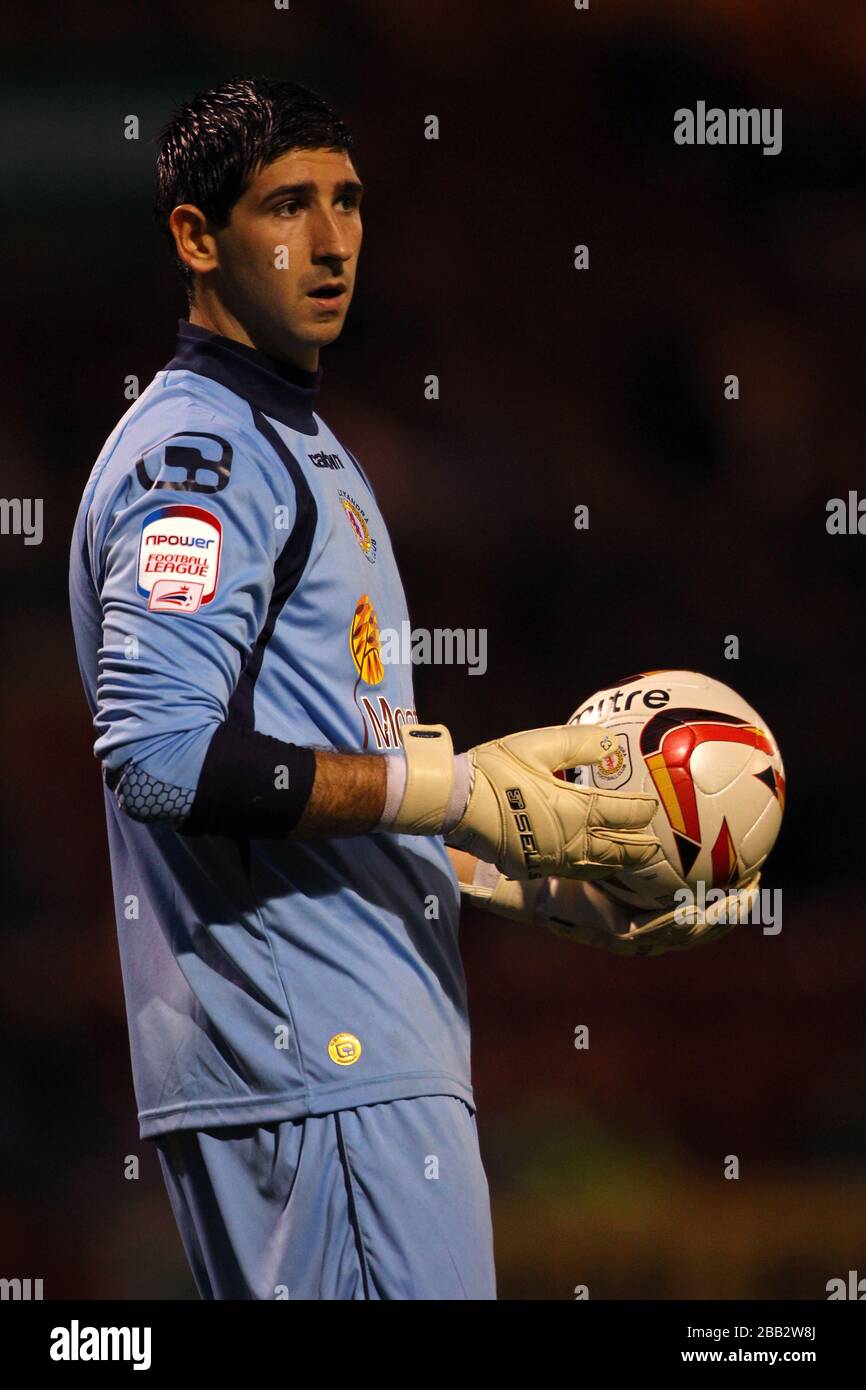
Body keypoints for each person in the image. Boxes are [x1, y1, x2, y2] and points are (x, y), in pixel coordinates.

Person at [69, 77, 662, 1300]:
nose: (331, 241)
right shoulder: (202, 453)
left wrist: (515, 868)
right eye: (287, 205)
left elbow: (326, 771)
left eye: (347, 201)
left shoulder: (300, 442)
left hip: (356, 1060)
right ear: (195, 236)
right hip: (319, 1068)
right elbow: (164, 756)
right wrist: (447, 791)